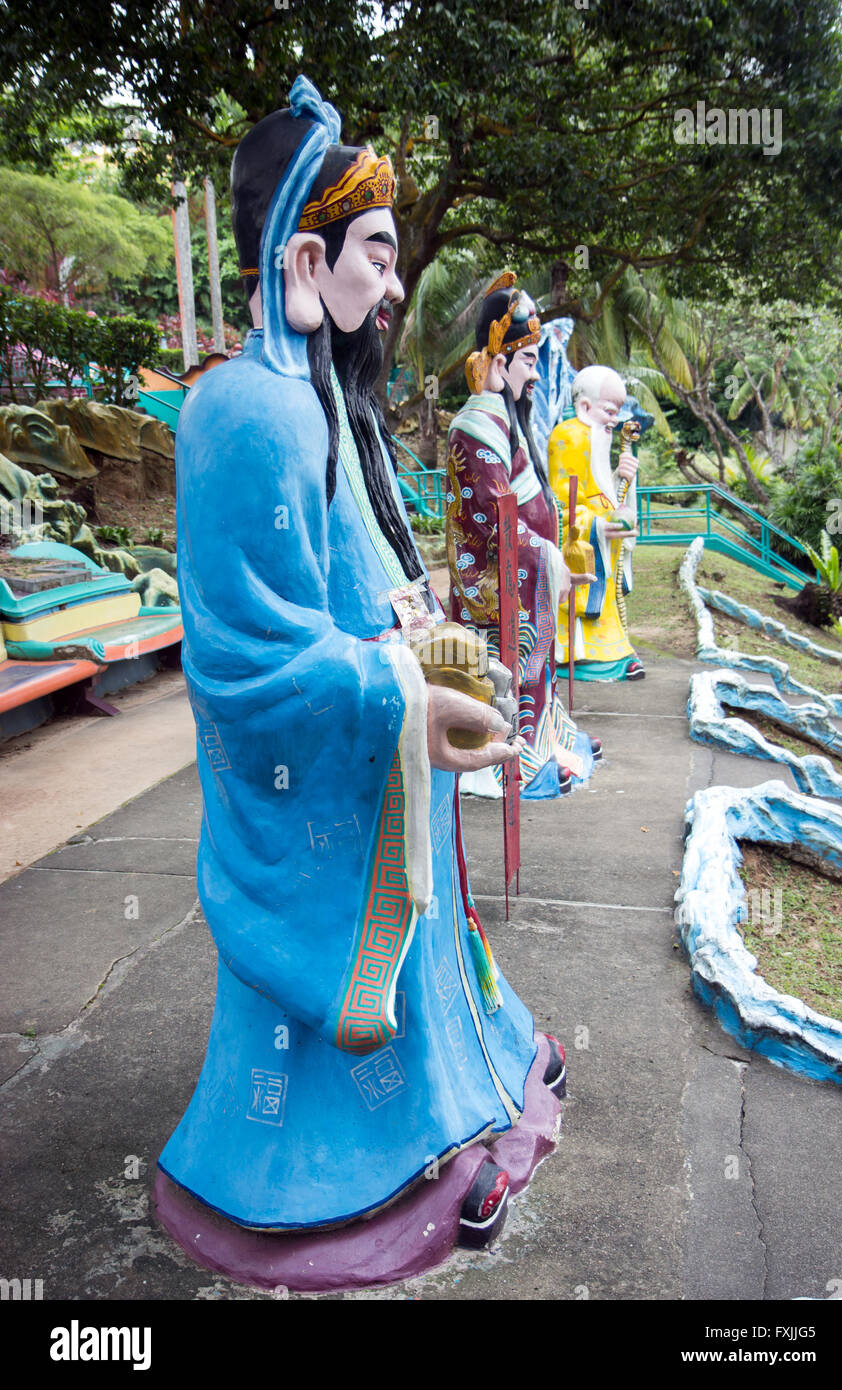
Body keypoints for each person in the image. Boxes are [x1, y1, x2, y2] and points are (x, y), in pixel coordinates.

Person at [155, 79, 563, 1289]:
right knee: (341, 1015)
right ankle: (345, 1170)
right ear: (302, 256)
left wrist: (437, 645)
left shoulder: (331, 397)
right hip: (335, 766)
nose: (393, 288)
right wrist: (393, 694)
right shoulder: (239, 410)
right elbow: (240, 654)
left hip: (397, 743)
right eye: (376, 256)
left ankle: (459, 1107)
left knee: (444, 943)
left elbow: (370, 570)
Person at [446, 275, 600, 799]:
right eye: (528, 361)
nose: (535, 375)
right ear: (496, 358)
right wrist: (545, 556)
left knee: (536, 664)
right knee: (506, 672)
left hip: (522, 573)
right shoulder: (475, 427)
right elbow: (491, 518)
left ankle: (542, 736)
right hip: (491, 580)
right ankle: (507, 755)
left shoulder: (507, 422)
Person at [548, 364, 645, 681]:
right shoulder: (570, 436)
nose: (614, 421)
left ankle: (615, 653)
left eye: (617, 412)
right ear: (585, 407)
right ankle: (579, 656)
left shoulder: (599, 439)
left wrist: (623, 477)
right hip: (586, 541)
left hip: (606, 541)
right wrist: (596, 527)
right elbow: (562, 502)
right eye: (608, 411)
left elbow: (602, 490)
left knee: (608, 610)